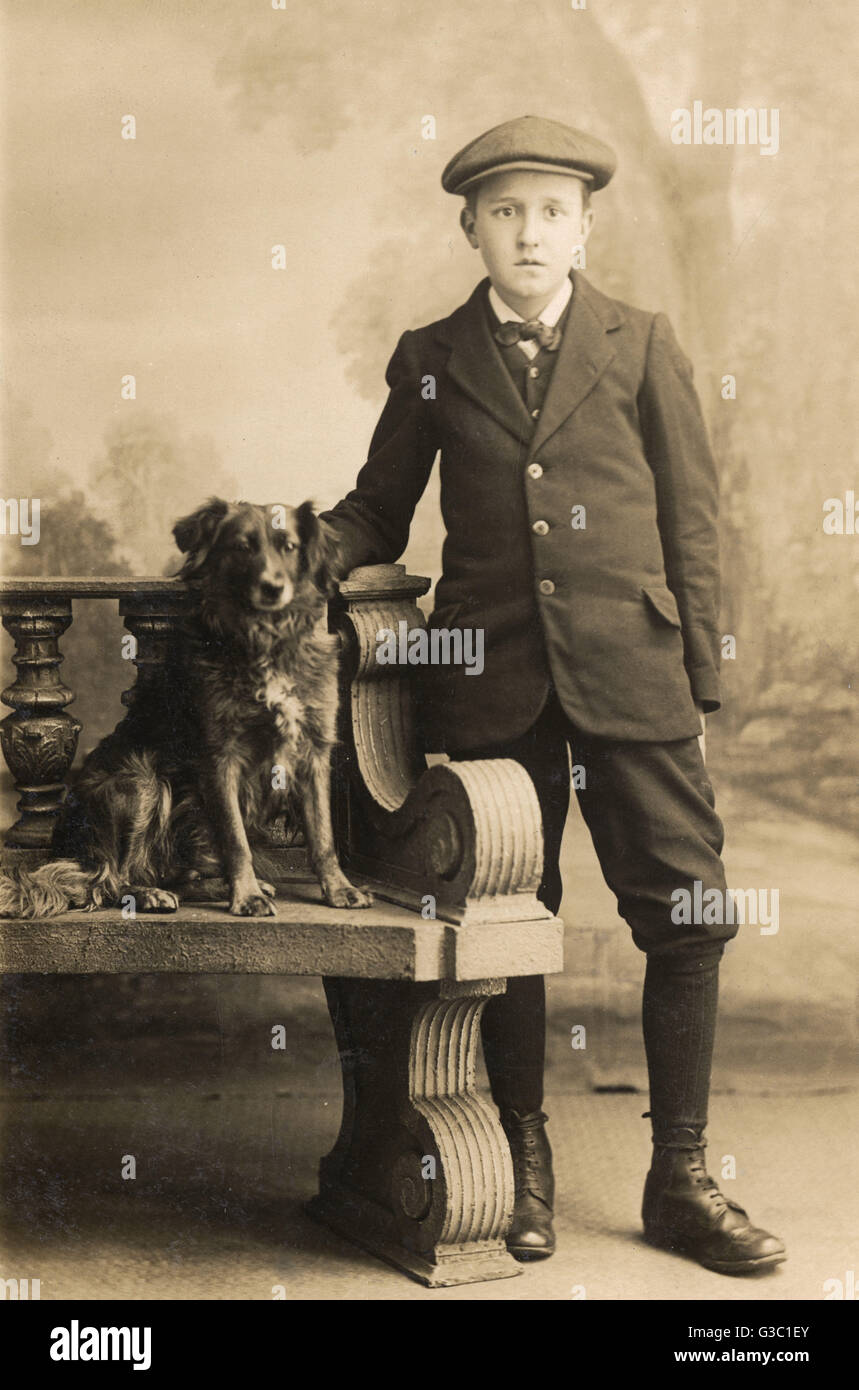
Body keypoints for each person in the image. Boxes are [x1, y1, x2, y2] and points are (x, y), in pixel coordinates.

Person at [322, 114, 786, 1274]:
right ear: (470, 227)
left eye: (552, 212)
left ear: (584, 229)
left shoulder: (639, 343)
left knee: (687, 910)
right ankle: (521, 1157)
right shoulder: (431, 355)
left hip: (633, 675)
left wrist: (702, 673)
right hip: (487, 684)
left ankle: (678, 1173)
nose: (530, 233)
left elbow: (691, 514)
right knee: (505, 918)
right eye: (506, 211)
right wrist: (288, 550)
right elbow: (379, 510)